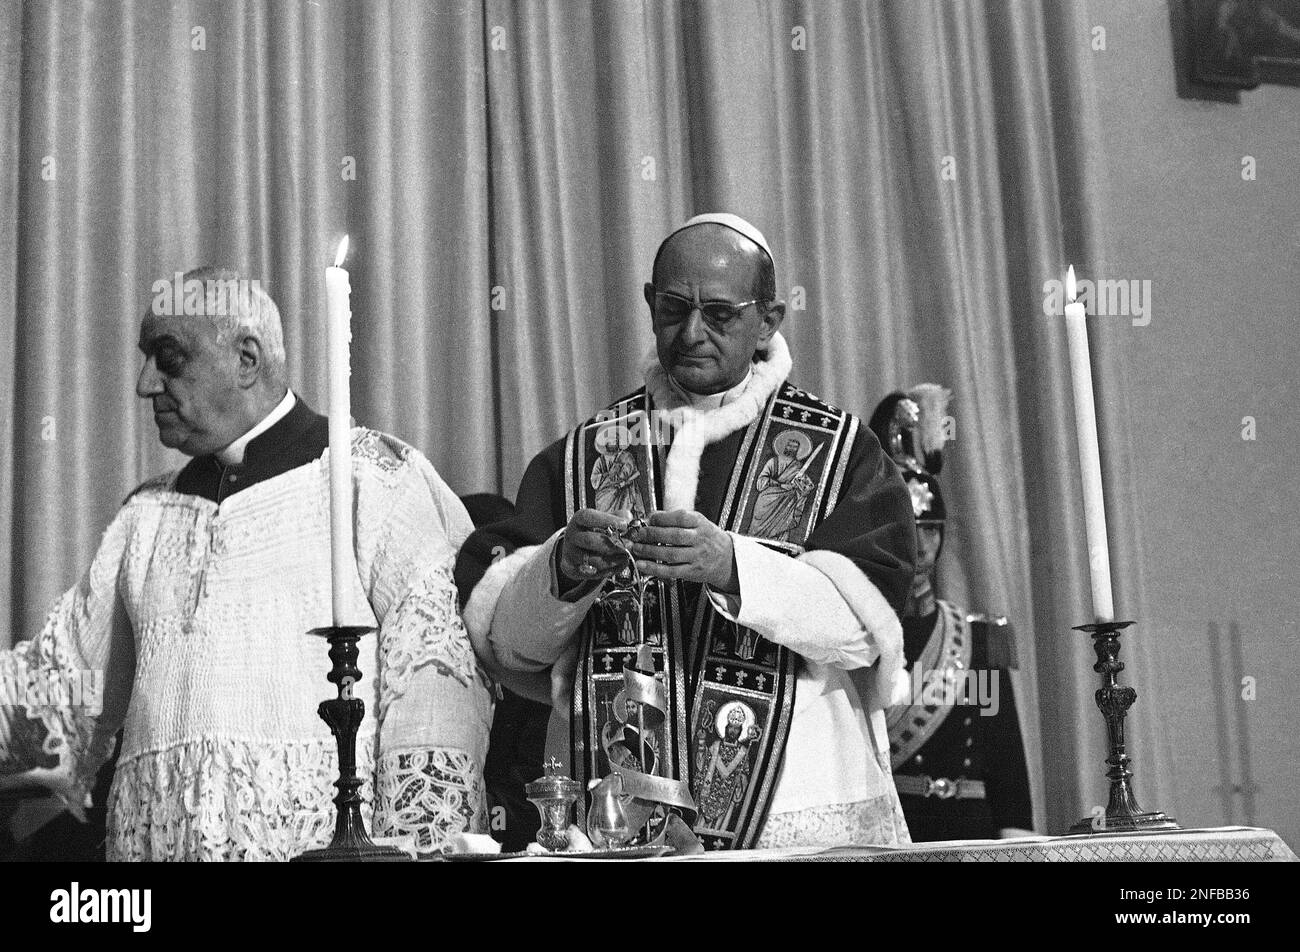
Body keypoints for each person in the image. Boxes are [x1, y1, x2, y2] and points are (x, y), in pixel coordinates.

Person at [455, 214, 916, 851]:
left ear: (769, 320)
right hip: (612, 814)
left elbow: (872, 631)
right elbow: (511, 649)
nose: (692, 333)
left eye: (720, 314)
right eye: (673, 308)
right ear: (649, 303)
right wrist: (562, 571)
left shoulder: (835, 450)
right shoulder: (587, 453)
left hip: (796, 805)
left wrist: (733, 566)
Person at [0, 267, 492, 860]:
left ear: (247, 359)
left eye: (168, 357)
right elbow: (57, 691)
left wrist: (411, 856)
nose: (144, 384)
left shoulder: (375, 478)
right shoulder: (147, 515)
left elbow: (435, 689)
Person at [868, 385, 1034, 841]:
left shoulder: (977, 639)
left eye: (930, 532)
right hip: (891, 838)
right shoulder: (856, 636)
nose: (920, 549)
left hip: (971, 834)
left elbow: (1004, 761)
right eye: (905, 532)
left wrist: (1016, 836)